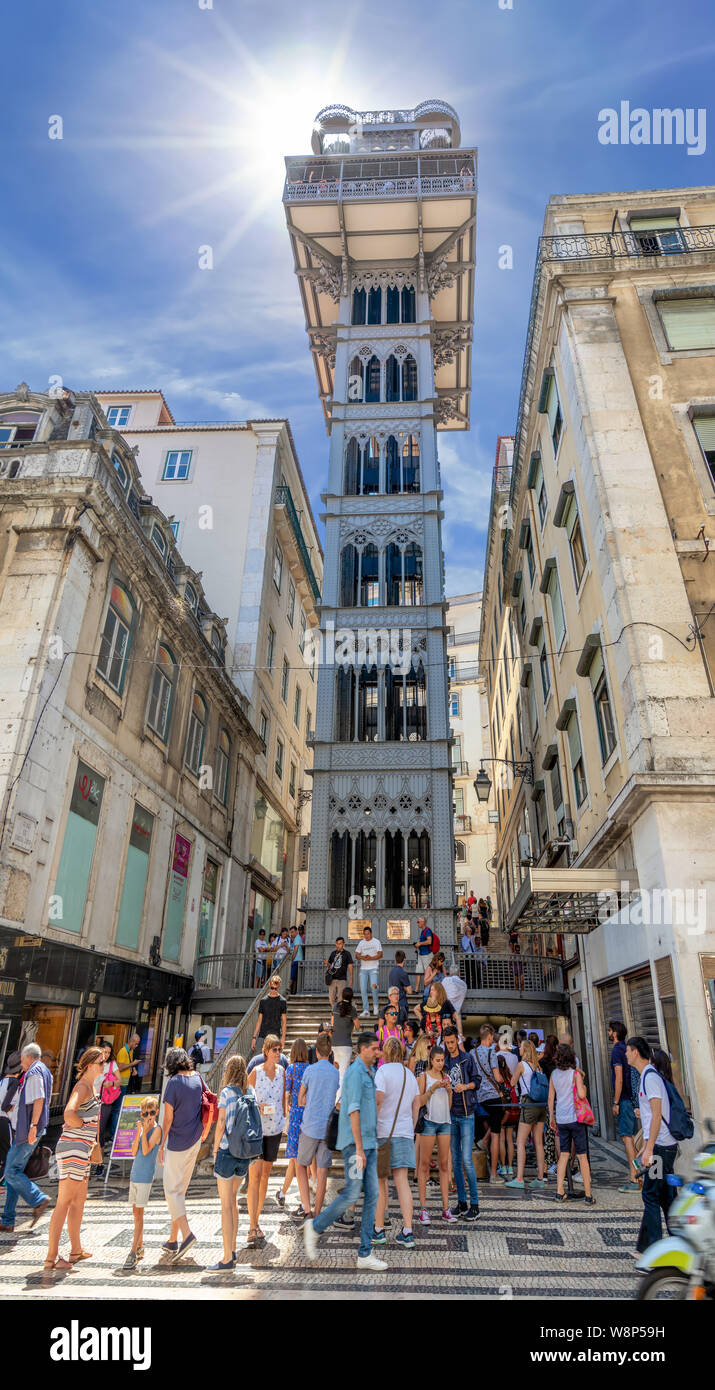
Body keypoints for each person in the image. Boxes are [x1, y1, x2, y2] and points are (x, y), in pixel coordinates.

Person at [303, 1033, 387, 1272]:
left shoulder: (369, 1073)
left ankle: (365, 1253)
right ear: (361, 1050)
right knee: (351, 1194)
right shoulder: (354, 1073)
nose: (377, 1052)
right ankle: (316, 1227)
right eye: (373, 1048)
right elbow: (353, 1112)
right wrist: (359, 1148)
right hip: (355, 1146)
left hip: (369, 1144)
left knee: (372, 1196)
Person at [43, 1046, 104, 1269]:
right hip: (74, 1148)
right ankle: (51, 1257)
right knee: (64, 1202)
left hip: (82, 1149)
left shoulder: (91, 1087)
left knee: (78, 1201)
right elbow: (69, 1112)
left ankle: (76, 1250)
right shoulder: (82, 1086)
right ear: (89, 1065)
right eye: (100, 1062)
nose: (103, 1066)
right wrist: (81, 1126)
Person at [626, 1036, 679, 1254]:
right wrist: (646, 1144)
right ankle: (669, 1244)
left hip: (660, 1149)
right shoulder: (647, 1076)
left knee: (650, 1194)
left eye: (628, 1051)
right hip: (660, 1145)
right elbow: (652, 1116)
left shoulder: (649, 1077)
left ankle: (655, 1252)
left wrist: (649, 1149)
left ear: (636, 1052)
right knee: (666, 1197)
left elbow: (657, 1115)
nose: (626, 1055)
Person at [159, 1046, 210, 1263]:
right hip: (195, 1141)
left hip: (178, 1143)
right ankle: (172, 1239)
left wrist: (161, 1144)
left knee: (172, 1191)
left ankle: (187, 1235)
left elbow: (168, 1119)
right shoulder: (198, 1078)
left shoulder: (173, 1083)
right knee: (180, 1191)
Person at [0, 1042, 53, 1233]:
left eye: (23, 1060)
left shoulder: (35, 1073)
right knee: (16, 1171)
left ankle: (38, 1199)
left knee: (11, 1171)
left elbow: (38, 1099)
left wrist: (32, 1127)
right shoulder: (43, 1070)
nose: (22, 1065)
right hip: (24, 1130)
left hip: (26, 1131)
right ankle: (7, 1220)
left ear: (30, 1057)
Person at [373, 1037, 420, 1249]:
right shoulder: (409, 1075)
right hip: (404, 1133)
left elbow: (378, 1099)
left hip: (384, 1133)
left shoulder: (382, 1073)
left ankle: (379, 1229)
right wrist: (410, 1125)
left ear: (385, 1052)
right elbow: (417, 1105)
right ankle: (408, 1230)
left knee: (381, 1183)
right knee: (402, 1182)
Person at [210, 1054, 254, 1271]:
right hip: (244, 1154)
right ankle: (233, 1249)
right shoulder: (250, 1091)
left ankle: (227, 1257)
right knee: (234, 1201)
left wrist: (215, 1148)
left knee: (226, 1205)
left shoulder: (227, 1093)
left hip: (228, 1152)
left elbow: (220, 1125)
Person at [296, 1032, 340, 1221]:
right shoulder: (335, 1072)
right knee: (323, 1171)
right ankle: (318, 1212)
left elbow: (300, 1099)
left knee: (301, 1165)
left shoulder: (310, 1071)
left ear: (316, 1050)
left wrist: (309, 1101)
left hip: (310, 1125)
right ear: (330, 1051)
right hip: (327, 1127)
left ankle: (307, 1209)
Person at [247, 1036, 286, 1247]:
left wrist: (285, 1117)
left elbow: (283, 1099)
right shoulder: (256, 1072)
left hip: (275, 1129)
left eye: (279, 1049)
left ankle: (257, 1220)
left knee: (265, 1176)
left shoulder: (282, 1072)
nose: (278, 1053)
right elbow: (246, 1097)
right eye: (274, 1050)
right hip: (257, 1129)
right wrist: (257, 1108)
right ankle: (252, 1224)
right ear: (266, 1051)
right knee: (254, 1176)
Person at [442, 1026, 481, 1221]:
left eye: (452, 1042)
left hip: (467, 1114)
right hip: (451, 1114)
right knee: (456, 1162)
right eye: (446, 1043)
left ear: (457, 1040)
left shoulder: (467, 1058)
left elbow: (477, 1080)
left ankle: (475, 1204)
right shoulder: (445, 1061)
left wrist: (465, 1086)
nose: (449, 1046)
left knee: (466, 1160)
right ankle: (462, 1202)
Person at [548, 1042, 594, 1203]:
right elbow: (581, 1095)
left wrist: (551, 1118)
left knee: (564, 1155)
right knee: (582, 1157)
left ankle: (560, 1191)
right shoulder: (575, 1074)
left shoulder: (553, 1074)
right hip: (575, 1118)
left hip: (561, 1118)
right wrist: (585, 1088)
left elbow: (550, 1098)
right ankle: (588, 1195)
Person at [416, 1044, 455, 1223]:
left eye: (442, 1060)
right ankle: (423, 1208)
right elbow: (420, 1101)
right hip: (429, 1123)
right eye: (437, 1060)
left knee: (445, 1164)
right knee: (424, 1165)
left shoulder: (446, 1077)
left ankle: (446, 1208)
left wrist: (448, 1091)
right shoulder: (424, 1077)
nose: (441, 1063)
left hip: (445, 1122)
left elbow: (450, 1106)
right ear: (431, 1060)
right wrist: (432, 1089)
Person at [124, 1095, 161, 1269]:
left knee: (139, 1213)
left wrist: (145, 1132)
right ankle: (140, 1246)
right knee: (136, 1213)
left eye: (152, 1112)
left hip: (145, 1176)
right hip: (135, 1174)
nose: (149, 1117)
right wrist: (138, 1132)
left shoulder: (157, 1130)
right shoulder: (143, 1130)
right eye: (145, 1113)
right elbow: (134, 1152)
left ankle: (133, 1251)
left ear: (157, 1112)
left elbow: (146, 1151)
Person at [505, 1039, 547, 1190]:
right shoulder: (538, 1067)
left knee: (521, 1141)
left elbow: (512, 1082)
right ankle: (540, 1178)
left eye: (521, 1047)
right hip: (541, 1105)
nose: (519, 1049)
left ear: (526, 1049)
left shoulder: (522, 1065)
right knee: (539, 1143)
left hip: (529, 1103)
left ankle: (519, 1178)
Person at [276, 1039, 309, 1209]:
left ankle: (305, 1202)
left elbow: (286, 1093)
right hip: (309, 1117)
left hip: (295, 1116)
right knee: (297, 1161)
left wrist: (285, 1113)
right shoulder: (310, 1069)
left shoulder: (291, 1069)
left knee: (295, 1160)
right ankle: (282, 1192)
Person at [608, 1020, 640, 1193]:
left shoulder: (616, 1051)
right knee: (632, 1139)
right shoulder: (627, 1049)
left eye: (609, 1031)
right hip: (633, 1099)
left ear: (614, 1033)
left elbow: (619, 1077)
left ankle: (634, 1178)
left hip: (625, 1100)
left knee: (627, 1138)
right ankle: (638, 1174)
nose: (608, 1033)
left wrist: (615, 1101)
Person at [472, 1024, 504, 1184]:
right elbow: (497, 1076)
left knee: (487, 1125)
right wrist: (503, 1081)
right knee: (497, 1134)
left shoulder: (472, 1052)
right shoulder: (492, 1051)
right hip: (492, 1095)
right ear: (490, 1036)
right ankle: (493, 1174)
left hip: (478, 1096)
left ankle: (484, 1139)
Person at [95, 1043, 123, 1175]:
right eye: (104, 1052)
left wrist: (110, 1083)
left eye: (108, 1052)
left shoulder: (112, 1064)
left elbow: (119, 1081)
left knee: (99, 1132)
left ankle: (100, 1163)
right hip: (91, 1101)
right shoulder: (93, 1063)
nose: (105, 1055)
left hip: (104, 1102)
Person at [250, 974, 287, 1058]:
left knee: (274, 1060)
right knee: (258, 1059)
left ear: (279, 986)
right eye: (272, 988)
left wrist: (283, 1038)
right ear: (269, 985)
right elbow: (259, 1020)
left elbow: (284, 1022)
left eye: (276, 988)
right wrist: (254, 1037)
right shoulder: (263, 1001)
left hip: (275, 1036)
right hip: (262, 1035)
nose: (273, 990)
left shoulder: (282, 1001)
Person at [330, 987, 358, 1092]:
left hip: (335, 1043)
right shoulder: (352, 1009)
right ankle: (340, 1100)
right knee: (343, 1073)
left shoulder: (336, 1006)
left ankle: (335, 1097)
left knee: (336, 1071)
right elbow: (358, 1026)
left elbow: (332, 1023)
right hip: (346, 1044)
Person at [0, 1051, 22, 1180]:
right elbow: (5, 1106)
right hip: (4, 1120)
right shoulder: (14, 1082)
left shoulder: (3, 1080)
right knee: (8, 1153)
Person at [539, 1034, 559, 1174]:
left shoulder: (542, 1062)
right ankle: (561, 1162)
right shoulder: (559, 1062)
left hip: (548, 1099)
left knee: (550, 1133)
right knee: (558, 1133)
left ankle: (549, 1161)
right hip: (561, 1099)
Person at [355, 924, 382, 1018]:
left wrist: (370, 958)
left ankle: (375, 1006)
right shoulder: (361, 943)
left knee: (373, 987)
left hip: (373, 967)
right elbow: (357, 955)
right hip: (363, 969)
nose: (366, 936)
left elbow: (380, 954)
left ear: (371, 933)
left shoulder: (376, 942)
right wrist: (363, 957)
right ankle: (366, 1009)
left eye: (368, 934)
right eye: (365, 934)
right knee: (363, 989)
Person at [419, 982, 456, 1048]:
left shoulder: (442, 1017)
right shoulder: (424, 1019)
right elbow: (421, 1036)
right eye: (430, 990)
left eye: (433, 990)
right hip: (427, 1046)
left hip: (440, 1045)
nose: (431, 992)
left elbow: (455, 1019)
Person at [324, 935, 354, 1006]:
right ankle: (334, 1011)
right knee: (331, 998)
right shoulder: (333, 953)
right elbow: (330, 966)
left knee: (341, 999)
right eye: (337, 943)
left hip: (342, 979)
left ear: (343, 944)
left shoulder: (347, 954)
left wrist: (351, 978)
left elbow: (350, 966)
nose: (338, 945)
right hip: (332, 979)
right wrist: (327, 964)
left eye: (340, 943)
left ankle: (339, 1013)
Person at [442, 964, 467, 1035]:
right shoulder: (464, 984)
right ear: (459, 974)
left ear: (450, 973)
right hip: (456, 1015)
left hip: (445, 1015)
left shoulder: (446, 980)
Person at [388, 950, 412, 1021]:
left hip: (391, 1002)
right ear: (404, 959)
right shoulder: (403, 973)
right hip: (401, 1003)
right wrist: (404, 987)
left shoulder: (391, 971)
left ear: (395, 959)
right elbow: (410, 991)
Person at [414, 916, 434, 991]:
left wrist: (420, 944)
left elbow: (429, 941)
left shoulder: (427, 930)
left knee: (428, 972)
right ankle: (416, 990)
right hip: (421, 954)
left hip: (427, 955)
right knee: (418, 971)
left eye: (418, 922)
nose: (417, 923)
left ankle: (429, 990)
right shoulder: (423, 931)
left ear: (423, 922)